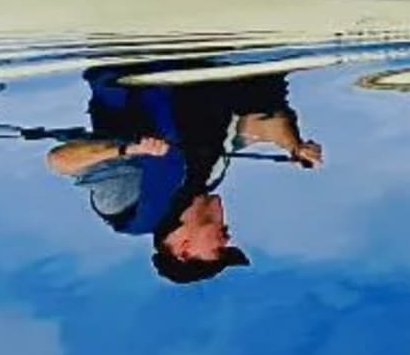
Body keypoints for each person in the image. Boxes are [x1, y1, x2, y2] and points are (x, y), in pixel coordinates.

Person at [46, 66, 323, 285]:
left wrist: (128, 149)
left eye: (218, 251)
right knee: (263, 94)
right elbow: (260, 123)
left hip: (133, 67)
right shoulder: (212, 175)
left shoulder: (128, 206)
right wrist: (293, 145)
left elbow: (59, 160)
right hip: (204, 69)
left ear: (184, 250)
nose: (227, 241)